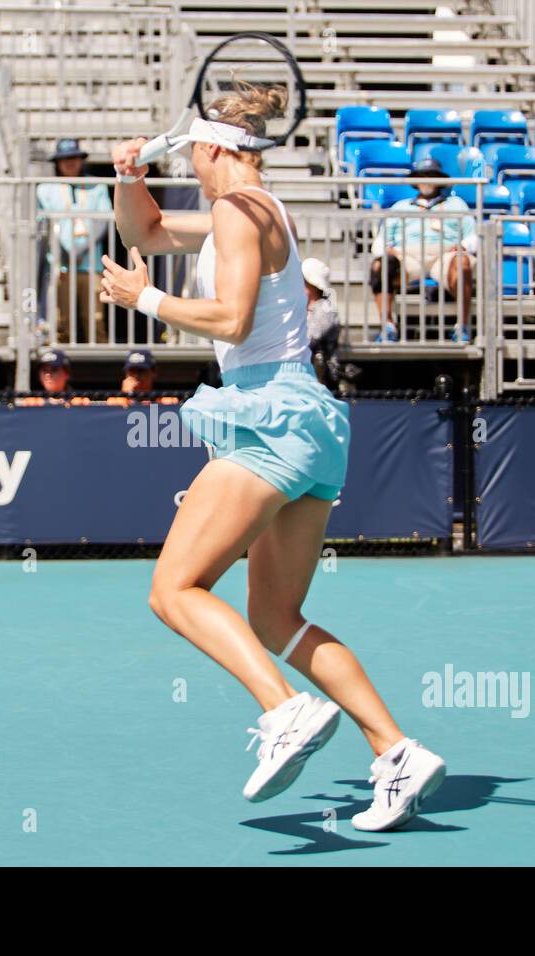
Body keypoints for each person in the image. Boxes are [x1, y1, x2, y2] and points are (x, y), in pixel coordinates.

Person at [101, 82, 445, 830]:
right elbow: (152, 233)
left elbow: (229, 316)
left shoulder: (234, 210)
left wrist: (145, 301)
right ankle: (396, 751)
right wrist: (129, 178)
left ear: (217, 147)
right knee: (276, 616)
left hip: (272, 419)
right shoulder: (257, 209)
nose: (189, 159)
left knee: (174, 589)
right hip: (311, 427)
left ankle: (286, 710)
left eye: (194, 147)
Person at [370, 157, 475, 340]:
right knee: (381, 265)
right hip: (408, 255)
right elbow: (381, 241)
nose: (427, 180)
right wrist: (386, 250)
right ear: (416, 180)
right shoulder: (400, 207)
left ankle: (462, 326)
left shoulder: (457, 204)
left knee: (463, 262)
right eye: (423, 175)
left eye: (432, 175)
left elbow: (473, 235)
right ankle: (388, 326)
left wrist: (463, 246)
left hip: (445, 254)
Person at [36, 138, 112, 346]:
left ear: (81, 160)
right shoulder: (45, 189)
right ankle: (58, 361)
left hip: (91, 264)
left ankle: (102, 365)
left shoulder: (97, 186)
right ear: (57, 162)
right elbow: (45, 227)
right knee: (61, 321)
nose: (70, 162)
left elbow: (103, 222)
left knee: (95, 319)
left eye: (74, 158)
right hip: (60, 266)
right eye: (65, 159)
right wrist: (64, 254)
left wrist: (80, 250)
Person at [300, 257, 350, 393]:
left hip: (322, 376)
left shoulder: (326, 309)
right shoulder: (298, 307)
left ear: (310, 284)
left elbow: (310, 339)